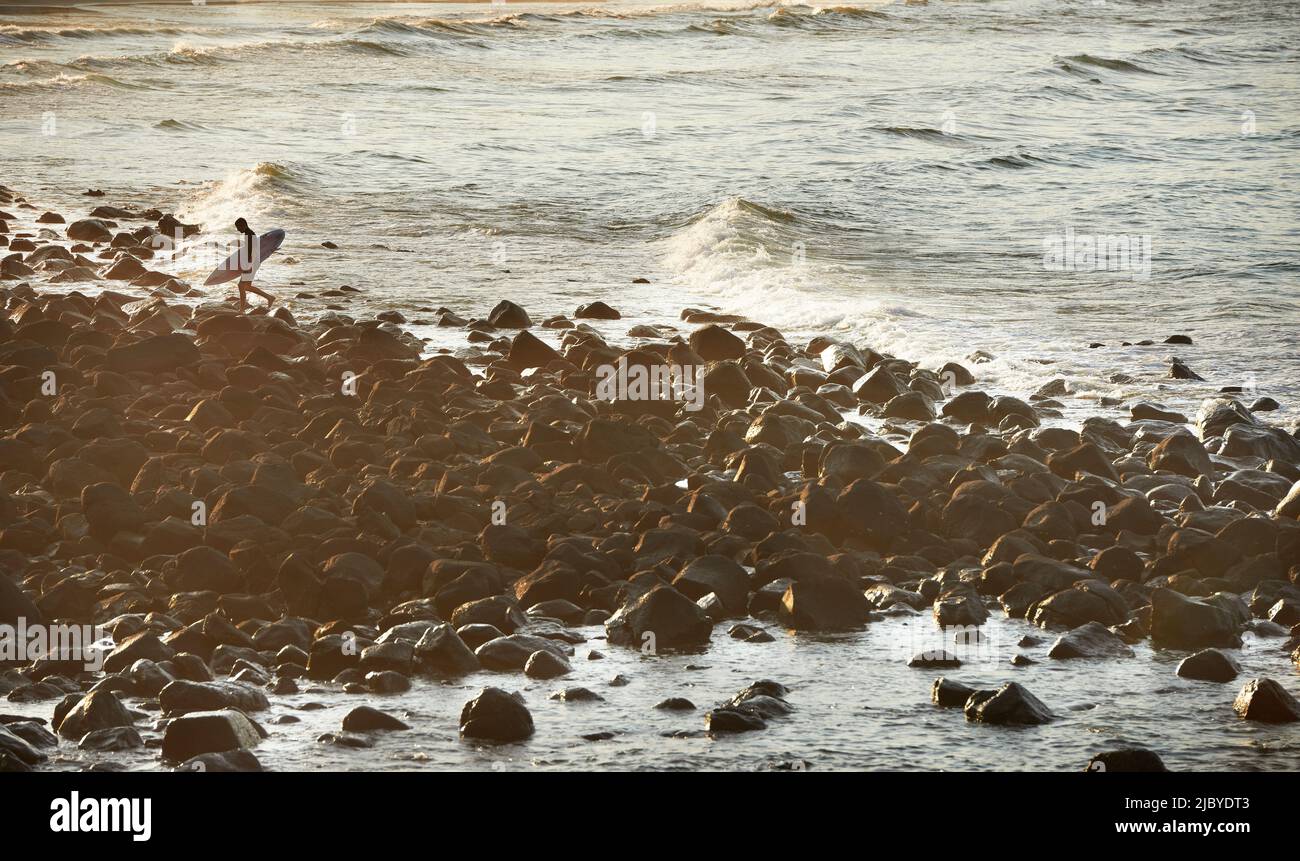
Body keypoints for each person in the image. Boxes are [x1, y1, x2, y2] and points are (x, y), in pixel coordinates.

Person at [234, 217, 277, 311]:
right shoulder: (249, 233)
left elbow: (252, 251)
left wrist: (248, 265)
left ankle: (242, 310)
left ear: (243, 225)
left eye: (238, 227)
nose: (238, 229)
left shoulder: (249, 235)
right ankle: (269, 297)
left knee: (241, 286)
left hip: (251, 263)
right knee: (246, 286)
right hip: (254, 262)